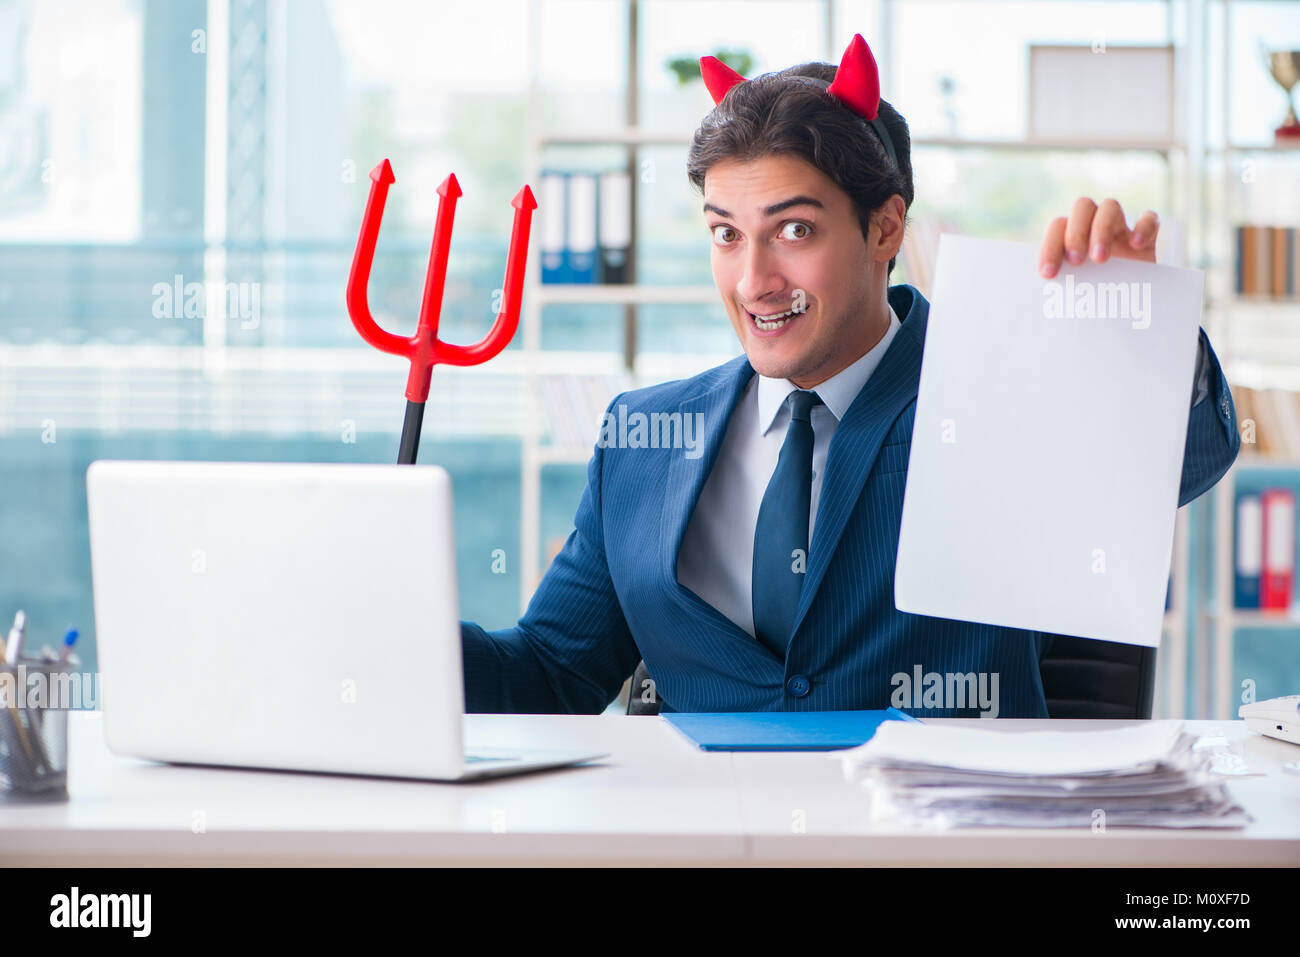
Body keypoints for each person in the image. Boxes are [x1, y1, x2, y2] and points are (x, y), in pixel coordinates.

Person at [459, 35, 1239, 717]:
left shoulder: (999, 391)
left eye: (794, 230)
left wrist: (1139, 342)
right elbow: (548, 675)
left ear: (885, 227)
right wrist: (391, 625)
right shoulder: (643, 437)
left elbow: (1187, 456)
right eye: (726, 234)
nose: (754, 279)